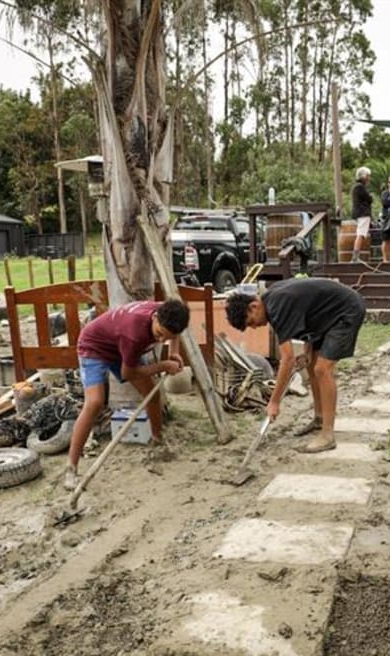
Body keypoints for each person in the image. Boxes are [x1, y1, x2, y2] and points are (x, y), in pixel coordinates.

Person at [225, 278, 366, 453]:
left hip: (346, 311)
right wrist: (308, 350)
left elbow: (287, 359)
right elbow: (309, 310)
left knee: (322, 369)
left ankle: (327, 435)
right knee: (311, 364)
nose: (254, 327)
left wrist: (274, 402)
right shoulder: (273, 300)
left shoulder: (277, 307)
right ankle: (319, 418)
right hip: (328, 315)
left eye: (251, 322)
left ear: (253, 306)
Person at [64, 299, 190, 490]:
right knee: (95, 402)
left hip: (121, 347)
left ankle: (157, 441)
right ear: (155, 318)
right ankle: (71, 469)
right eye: (159, 334)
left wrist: (173, 352)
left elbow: (175, 334)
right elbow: (128, 373)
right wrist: (163, 365)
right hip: (94, 347)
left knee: (152, 393)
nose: (161, 340)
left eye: (167, 337)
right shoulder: (134, 334)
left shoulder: (170, 312)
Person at [351, 167, 373, 263]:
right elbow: (369, 199)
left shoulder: (356, 187)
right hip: (363, 213)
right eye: (367, 176)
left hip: (360, 213)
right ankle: (355, 257)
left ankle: (356, 256)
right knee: (360, 234)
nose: (369, 178)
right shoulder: (360, 187)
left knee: (361, 234)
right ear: (363, 176)